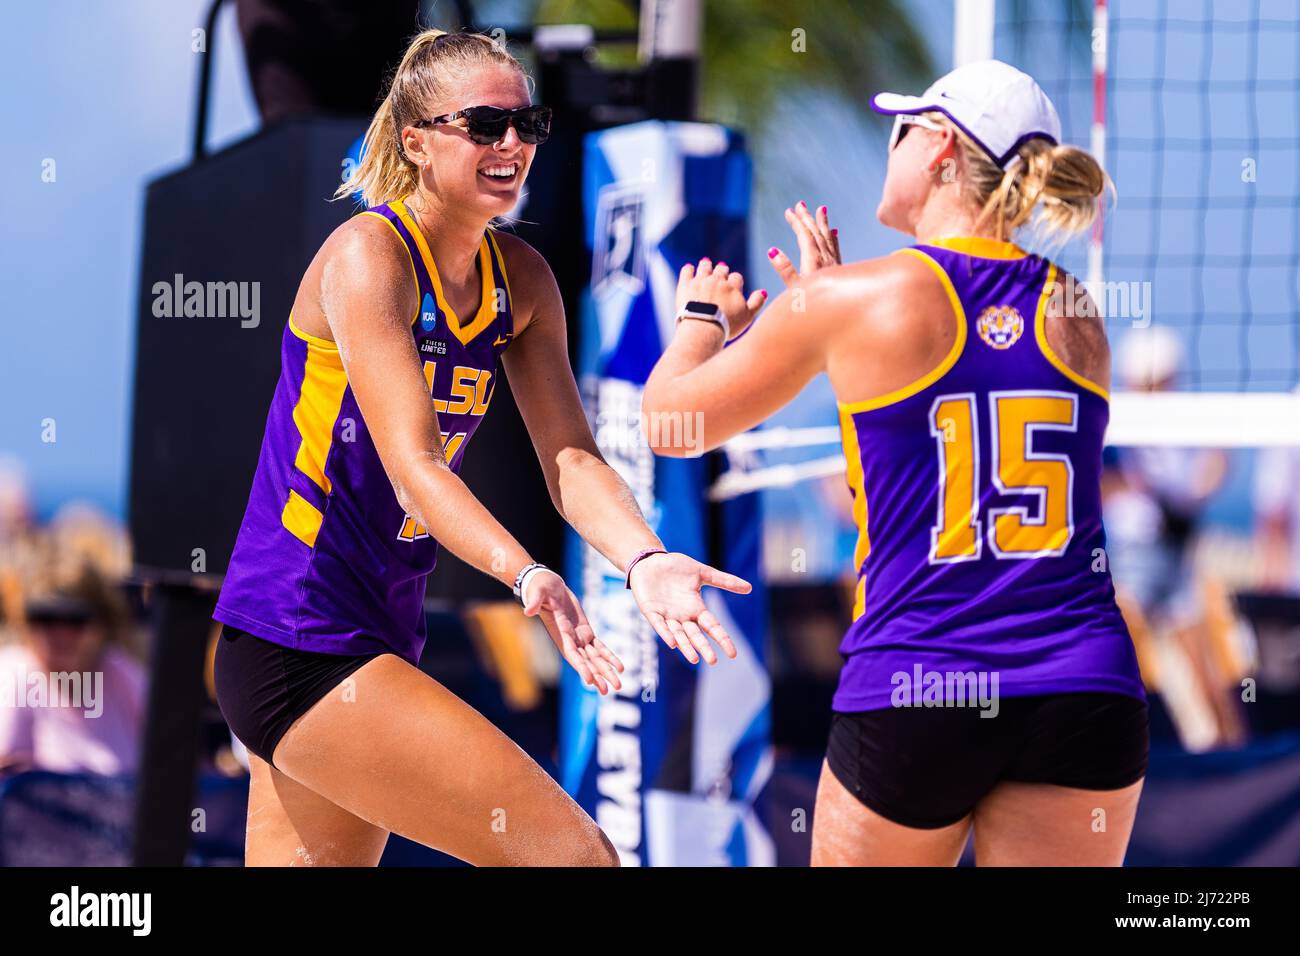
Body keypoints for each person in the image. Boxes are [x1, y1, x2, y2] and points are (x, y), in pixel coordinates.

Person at [211, 28, 750, 867]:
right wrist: (528, 573)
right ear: (416, 140)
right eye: (485, 126)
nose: (512, 146)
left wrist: (645, 562)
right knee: (575, 859)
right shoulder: (369, 256)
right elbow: (415, 468)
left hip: (373, 632)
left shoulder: (521, 278)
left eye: (526, 126)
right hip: (296, 634)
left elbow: (570, 457)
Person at [642, 60, 1149, 865]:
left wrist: (703, 322)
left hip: (924, 679)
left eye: (902, 129)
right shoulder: (1077, 311)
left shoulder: (857, 301)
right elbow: (935, 465)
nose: (890, 144)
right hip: (1081, 686)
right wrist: (831, 322)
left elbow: (673, 424)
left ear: (941, 148)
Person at [0, 569, 146, 776]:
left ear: (103, 625)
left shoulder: (121, 672)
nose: (60, 633)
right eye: (45, 618)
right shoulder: (12, 673)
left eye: (75, 619)